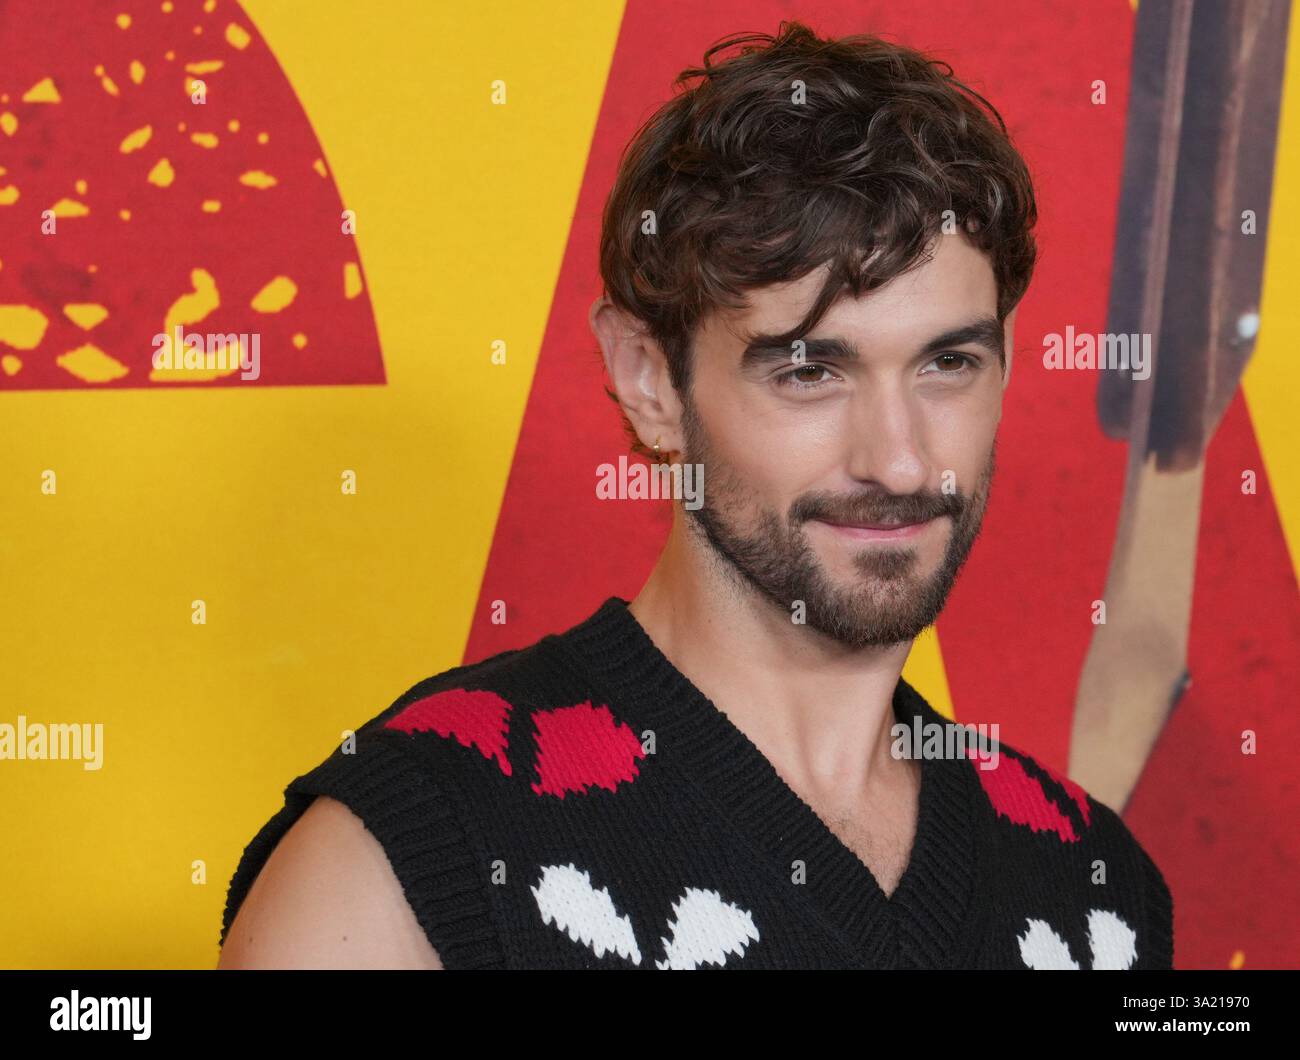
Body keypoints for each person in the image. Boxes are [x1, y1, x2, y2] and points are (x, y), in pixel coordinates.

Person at [218, 21, 1173, 970]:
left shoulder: (1095, 886)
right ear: (649, 381)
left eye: (948, 363)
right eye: (808, 372)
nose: (901, 463)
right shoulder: (410, 859)